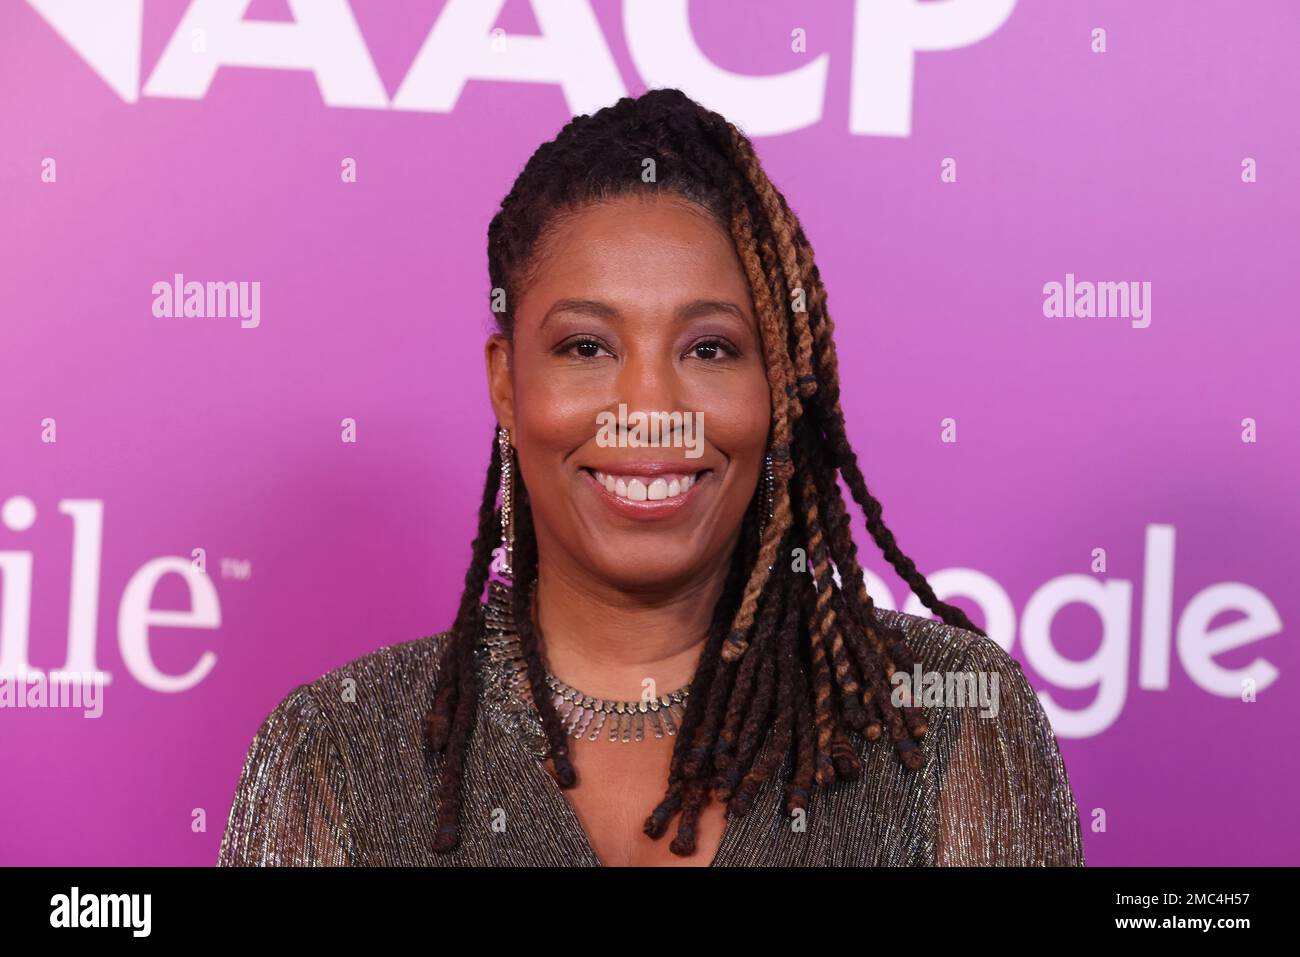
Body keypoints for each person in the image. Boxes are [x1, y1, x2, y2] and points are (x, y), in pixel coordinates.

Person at [217, 88, 1085, 867]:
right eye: (586, 347)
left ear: (779, 388)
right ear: (506, 385)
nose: (649, 407)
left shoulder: (947, 725)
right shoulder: (335, 753)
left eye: (710, 348)